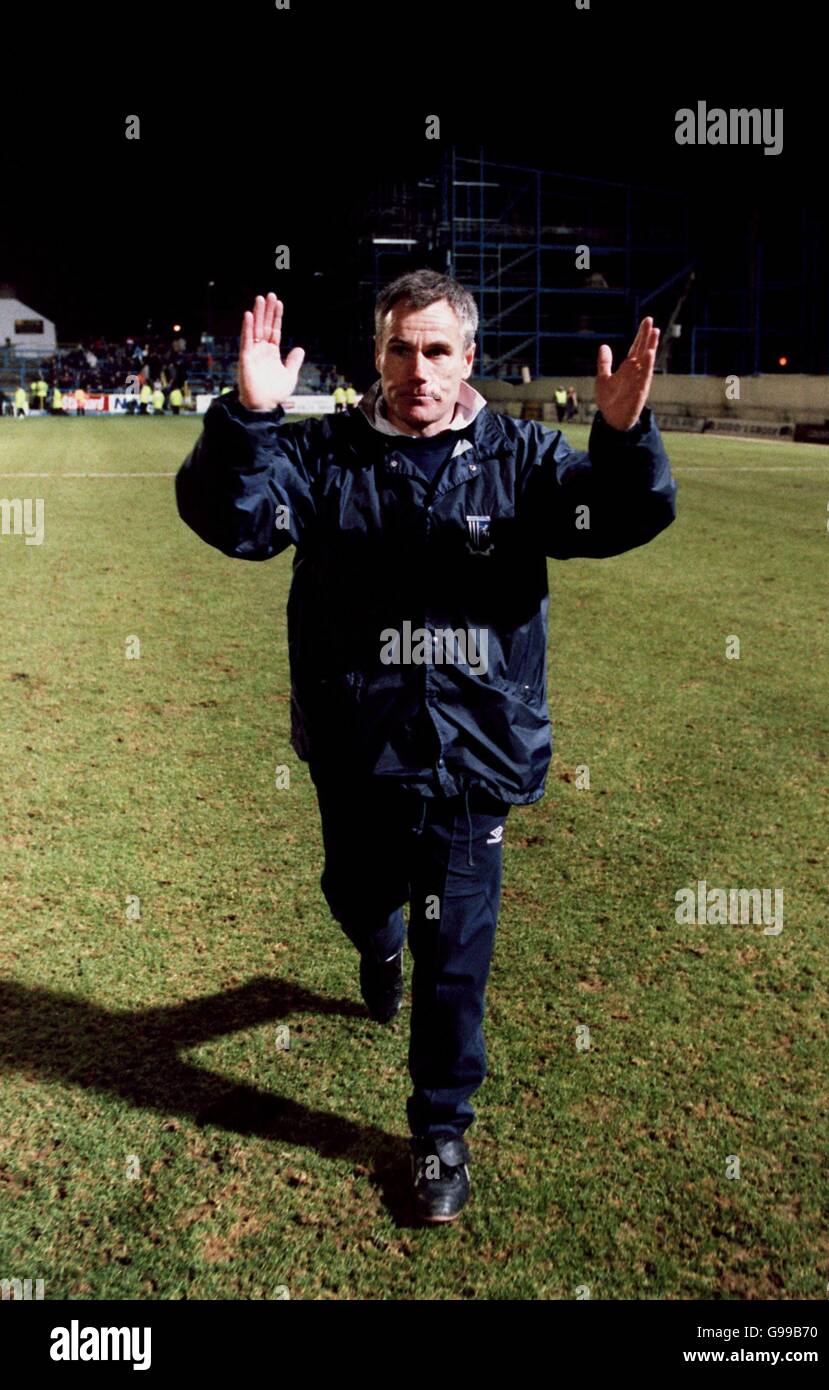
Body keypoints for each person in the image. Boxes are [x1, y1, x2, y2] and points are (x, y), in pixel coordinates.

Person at [174, 271, 676, 1225]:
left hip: (473, 752)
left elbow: (619, 517)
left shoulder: (523, 457)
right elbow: (232, 522)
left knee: (461, 955)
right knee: (357, 893)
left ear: (469, 358)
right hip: (359, 745)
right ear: (377, 355)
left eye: (437, 349)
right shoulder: (323, 455)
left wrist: (619, 440)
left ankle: (441, 1129)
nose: (418, 368)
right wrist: (247, 417)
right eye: (401, 348)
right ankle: (378, 939)